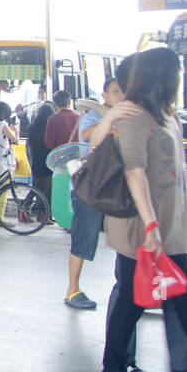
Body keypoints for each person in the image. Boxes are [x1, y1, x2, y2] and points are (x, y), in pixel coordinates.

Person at [94, 47, 187, 372]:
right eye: (175, 72)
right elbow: (133, 171)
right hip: (143, 230)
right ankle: (112, 371)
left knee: (173, 301)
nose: (179, 79)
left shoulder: (164, 115)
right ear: (162, 76)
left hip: (167, 229)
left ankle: (115, 369)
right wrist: (151, 227)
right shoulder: (134, 115)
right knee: (139, 300)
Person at [65, 77, 124, 311]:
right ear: (105, 95)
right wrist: (113, 123)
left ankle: (130, 286)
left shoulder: (124, 117)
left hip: (115, 188)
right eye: (115, 91)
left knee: (125, 238)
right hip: (88, 189)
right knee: (84, 238)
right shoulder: (94, 116)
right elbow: (88, 134)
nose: (120, 95)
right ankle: (72, 290)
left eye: (123, 92)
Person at [26, 94, 57, 206]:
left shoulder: (32, 127)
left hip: (36, 161)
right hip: (48, 160)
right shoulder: (51, 126)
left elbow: (29, 146)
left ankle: (24, 208)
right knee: (47, 190)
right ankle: (43, 213)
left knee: (36, 188)